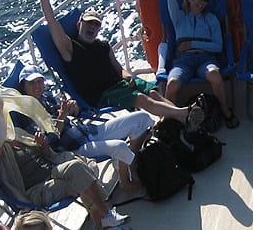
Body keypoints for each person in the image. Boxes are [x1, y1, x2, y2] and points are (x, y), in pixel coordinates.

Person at [33, 0, 201, 127]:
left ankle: (178, 119)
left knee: (154, 93)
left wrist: (128, 76)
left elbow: (119, 69)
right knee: (141, 99)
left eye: (96, 25)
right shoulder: (69, 47)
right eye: (88, 23)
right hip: (101, 95)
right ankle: (185, 114)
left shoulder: (103, 46)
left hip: (119, 84)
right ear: (79, 24)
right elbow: (52, 22)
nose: (92, 27)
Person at [0, 88, 132, 230]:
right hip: (35, 190)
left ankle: (103, 223)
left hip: (53, 170)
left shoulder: (17, 133)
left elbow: (47, 154)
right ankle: (105, 217)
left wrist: (42, 146)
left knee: (81, 167)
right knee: (80, 174)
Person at [15, 64, 153, 194]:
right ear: (23, 86)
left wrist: (73, 109)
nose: (37, 86)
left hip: (86, 131)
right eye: (32, 83)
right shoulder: (26, 114)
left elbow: (77, 114)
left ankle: (125, 163)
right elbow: (50, 143)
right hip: (74, 148)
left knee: (142, 118)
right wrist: (62, 117)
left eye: (40, 81)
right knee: (120, 146)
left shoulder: (46, 97)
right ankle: (125, 182)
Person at [162, 0, 238, 128]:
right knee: (172, 83)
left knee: (214, 74)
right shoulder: (179, 18)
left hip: (206, 59)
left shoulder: (211, 19)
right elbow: (170, 4)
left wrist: (192, 44)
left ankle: (224, 108)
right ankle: (170, 119)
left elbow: (218, 46)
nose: (202, 3)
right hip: (183, 61)